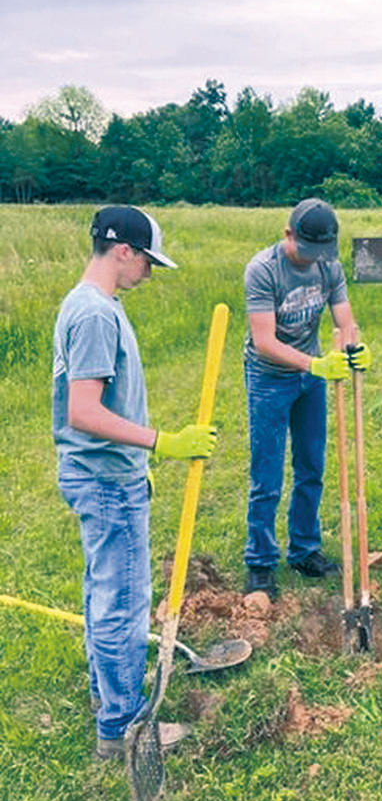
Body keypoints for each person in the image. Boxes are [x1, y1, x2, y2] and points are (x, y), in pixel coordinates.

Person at [52, 205, 218, 761]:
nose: (148, 273)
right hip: (105, 481)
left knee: (105, 592)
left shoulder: (90, 304)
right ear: (124, 250)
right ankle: (123, 728)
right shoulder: (96, 314)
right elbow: (83, 410)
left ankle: (108, 696)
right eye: (148, 261)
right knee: (122, 601)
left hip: (99, 476)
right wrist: (162, 441)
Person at [243, 198, 372, 600]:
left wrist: (354, 347)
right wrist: (314, 365)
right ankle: (261, 562)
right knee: (267, 474)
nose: (315, 258)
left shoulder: (329, 266)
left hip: (312, 379)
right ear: (288, 235)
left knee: (311, 466)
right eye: (308, 249)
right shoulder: (263, 270)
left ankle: (304, 550)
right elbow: (264, 342)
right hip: (270, 378)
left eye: (322, 251)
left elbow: (344, 320)